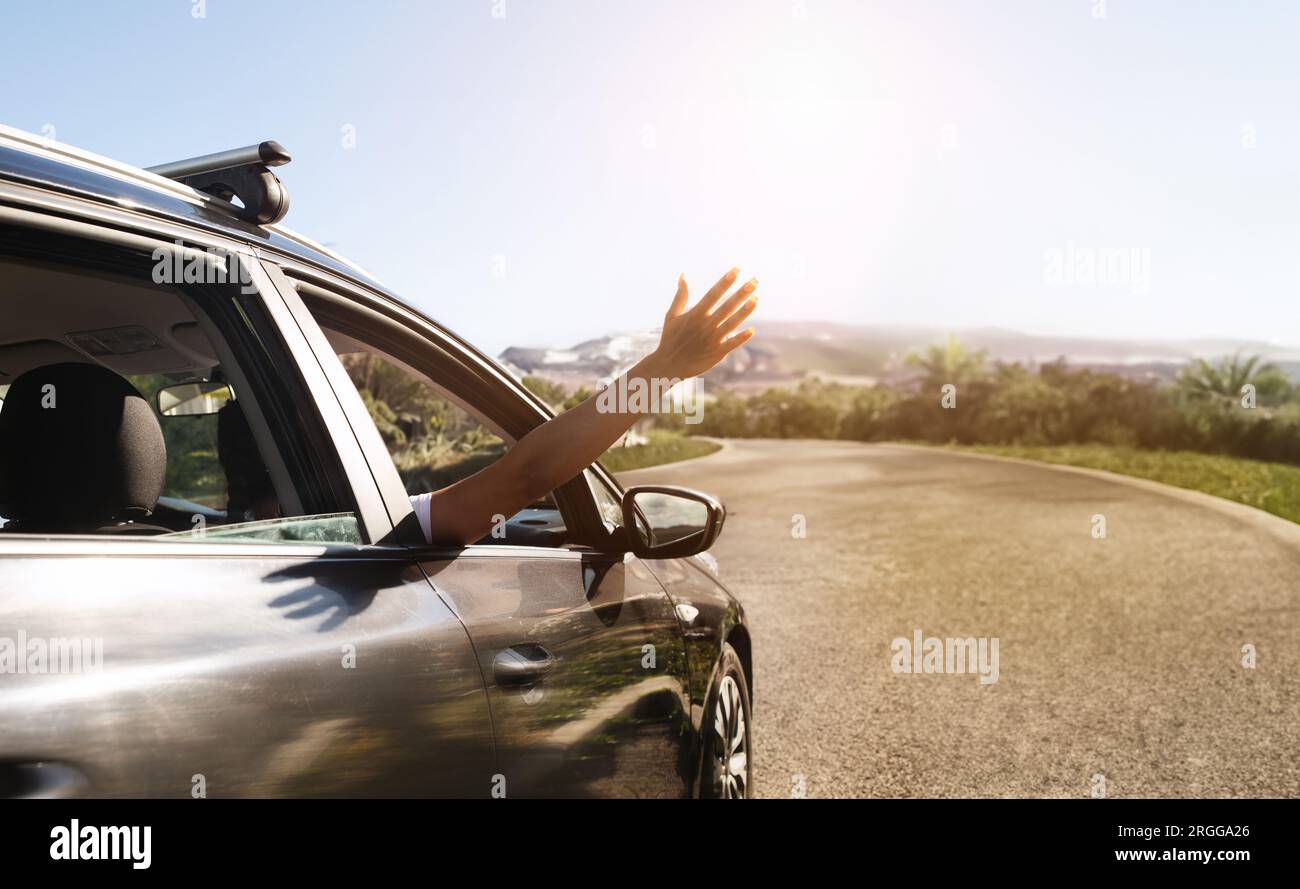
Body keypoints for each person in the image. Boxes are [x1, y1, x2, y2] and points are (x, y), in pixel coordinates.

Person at [410, 268, 758, 544]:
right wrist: (664, 367)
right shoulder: (370, 528)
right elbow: (528, 473)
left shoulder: (363, 529)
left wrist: (663, 368)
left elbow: (529, 473)